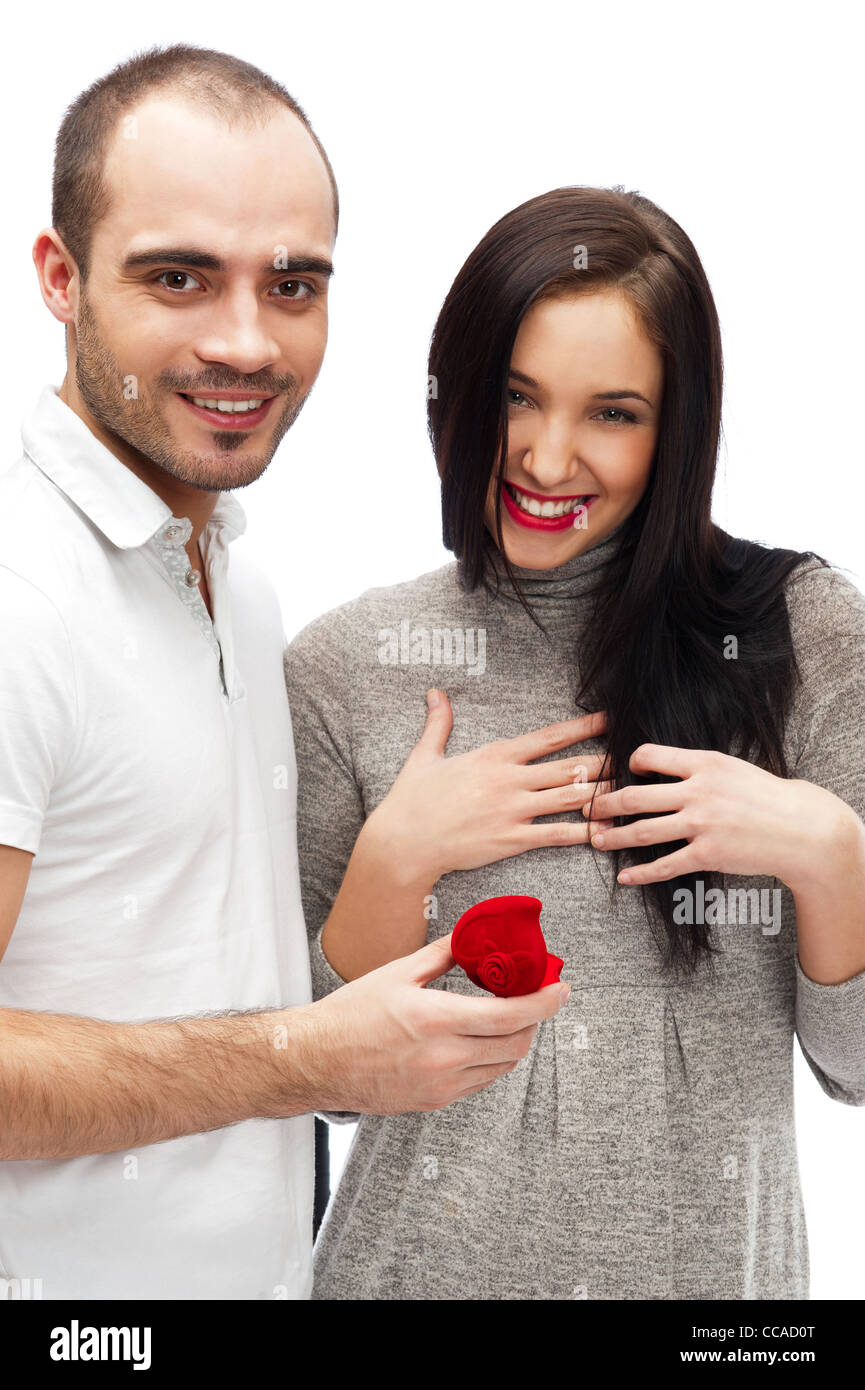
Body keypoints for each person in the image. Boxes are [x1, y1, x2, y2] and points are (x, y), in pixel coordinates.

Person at [0, 46, 580, 1301]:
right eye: (177, 277)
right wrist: (306, 1060)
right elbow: (292, 1046)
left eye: (293, 283)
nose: (247, 341)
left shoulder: (234, 579)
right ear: (60, 277)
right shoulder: (18, 599)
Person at [283, 185, 865, 1300]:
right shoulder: (344, 665)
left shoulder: (806, 636)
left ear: (677, 425)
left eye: (612, 412)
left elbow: (855, 1069)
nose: (548, 460)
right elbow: (321, 1080)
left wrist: (827, 851)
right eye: (515, 395)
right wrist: (397, 861)